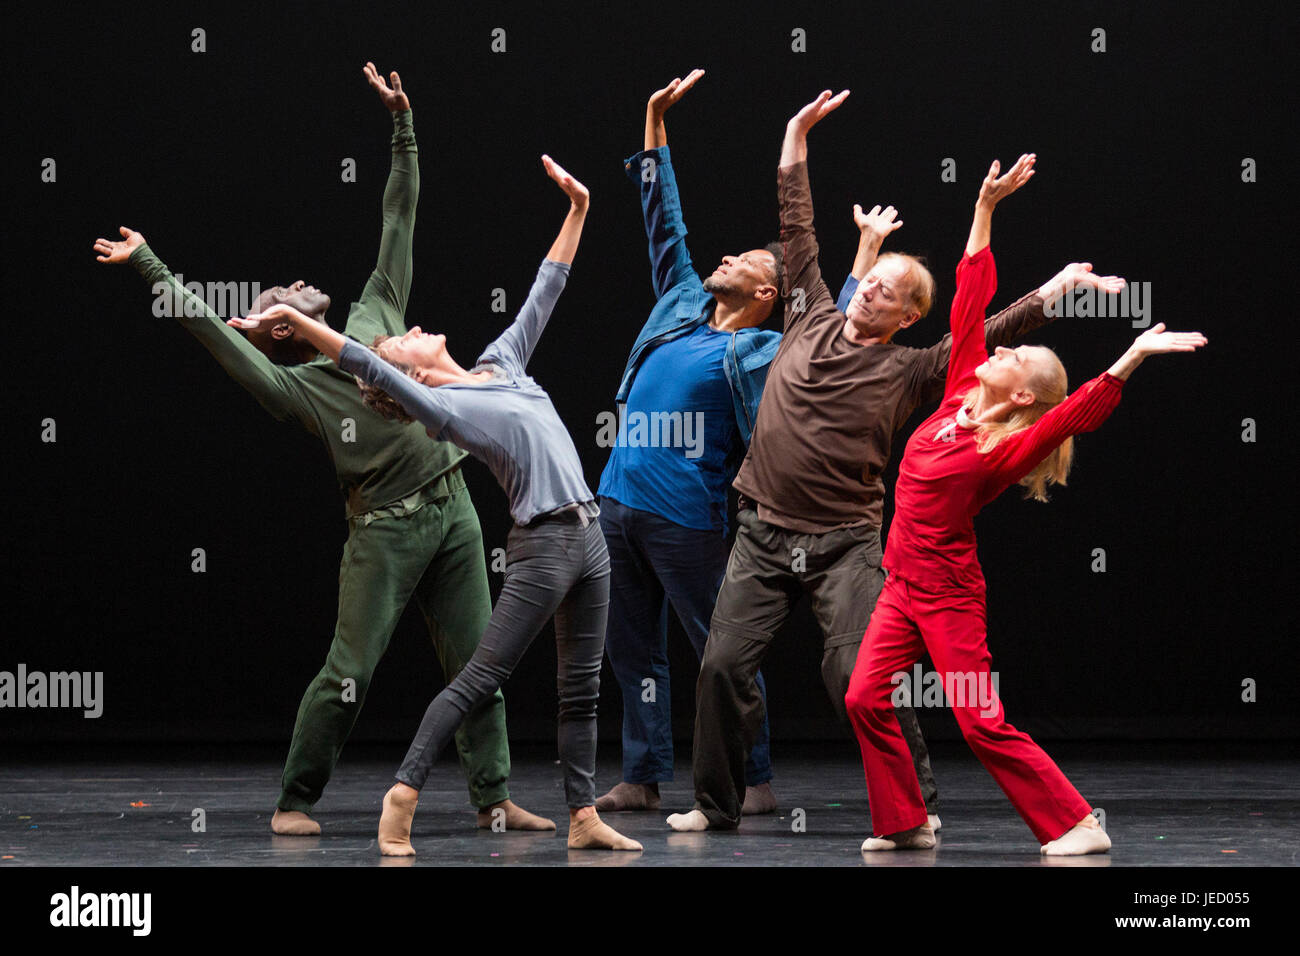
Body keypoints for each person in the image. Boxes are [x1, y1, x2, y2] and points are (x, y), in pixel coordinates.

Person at [92, 63, 547, 837]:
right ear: (277, 330)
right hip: (387, 531)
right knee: (349, 673)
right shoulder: (298, 388)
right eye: (283, 293)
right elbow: (210, 331)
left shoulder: (374, 307)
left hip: (454, 508)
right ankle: (295, 801)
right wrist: (149, 265)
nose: (299, 282)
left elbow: (398, 217)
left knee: (481, 664)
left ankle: (492, 795)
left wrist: (402, 125)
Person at [670, 90, 1127, 833]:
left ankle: (917, 810)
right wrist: (794, 136)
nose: (868, 291)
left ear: (907, 316)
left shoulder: (916, 370)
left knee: (858, 677)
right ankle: (713, 804)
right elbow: (797, 225)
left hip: (845, 542)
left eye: (884, 292)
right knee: (721, 666)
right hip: (761, 532)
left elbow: (982, 326)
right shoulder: (811, 309)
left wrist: (1052, 293)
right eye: (869, 280)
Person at [233, 156, 641, 856]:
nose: (413, 326)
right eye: (402, 342)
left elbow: (546, 290)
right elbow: (365, 365)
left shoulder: (500, 363)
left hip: (591, 536)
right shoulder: (447, 409)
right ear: (410, 372)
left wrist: (578, 209)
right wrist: (295, 327)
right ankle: (404, 794)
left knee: (582, 690)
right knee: (480, 676)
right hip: (542, 545)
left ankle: (584, 817)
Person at [844, 155, 1206, 855]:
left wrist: (1131, 357)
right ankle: (904, 821)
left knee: (979, 717)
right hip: (900, 586)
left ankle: (1075, 823)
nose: (1001, 353)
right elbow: (970, 297)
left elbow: (1069, 417)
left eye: (1016, 358)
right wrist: (985, 207)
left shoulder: (998, 452)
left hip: (947, 593)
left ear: (1018, 394)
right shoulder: (956, 395)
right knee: (864, 698)